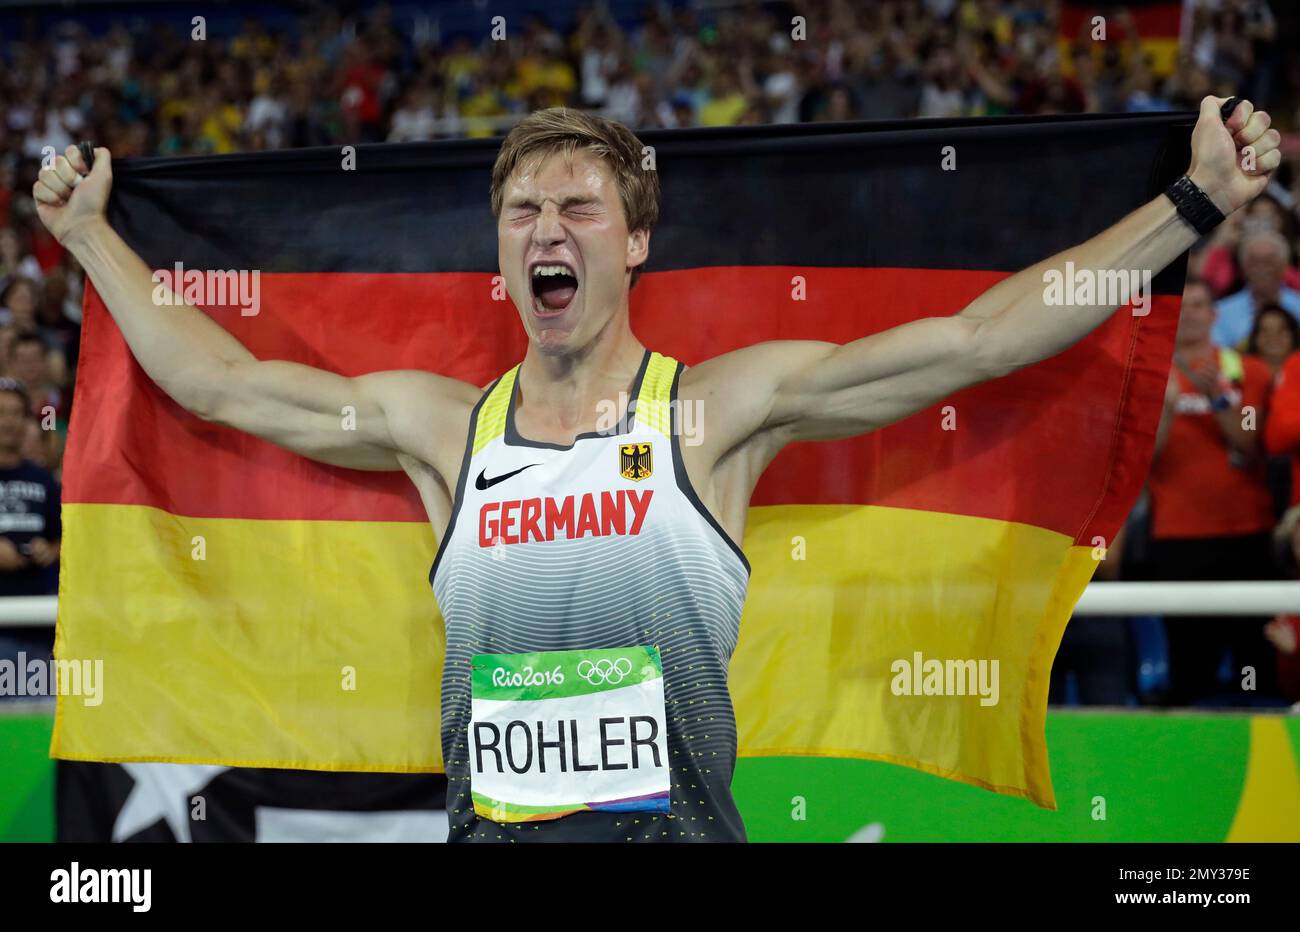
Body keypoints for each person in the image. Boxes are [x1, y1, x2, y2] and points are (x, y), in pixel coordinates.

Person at [33, 96, 1280, 841]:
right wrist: (89, 235)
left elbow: (978, 338)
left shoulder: (714, 410)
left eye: (577, 207)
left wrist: (1191, 201)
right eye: (522, 212)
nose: (546, 230)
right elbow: (217, 383)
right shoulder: (442, 427)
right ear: (500, 254)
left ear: (635, 241)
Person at [1145, 279, 1279, 703]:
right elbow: (1140, 462)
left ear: (1214, 314)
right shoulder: (1148, 376)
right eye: (1181, 306)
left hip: (1245, 529)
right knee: (1188, 651)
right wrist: (1164, 412)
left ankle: (1260, 728)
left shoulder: (1247, 371)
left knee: (1252, 654)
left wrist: (1219, 399)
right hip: (1178, 535)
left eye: (1199, 305)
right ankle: (1190, 739)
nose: (1189, 314)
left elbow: (1251, 442)